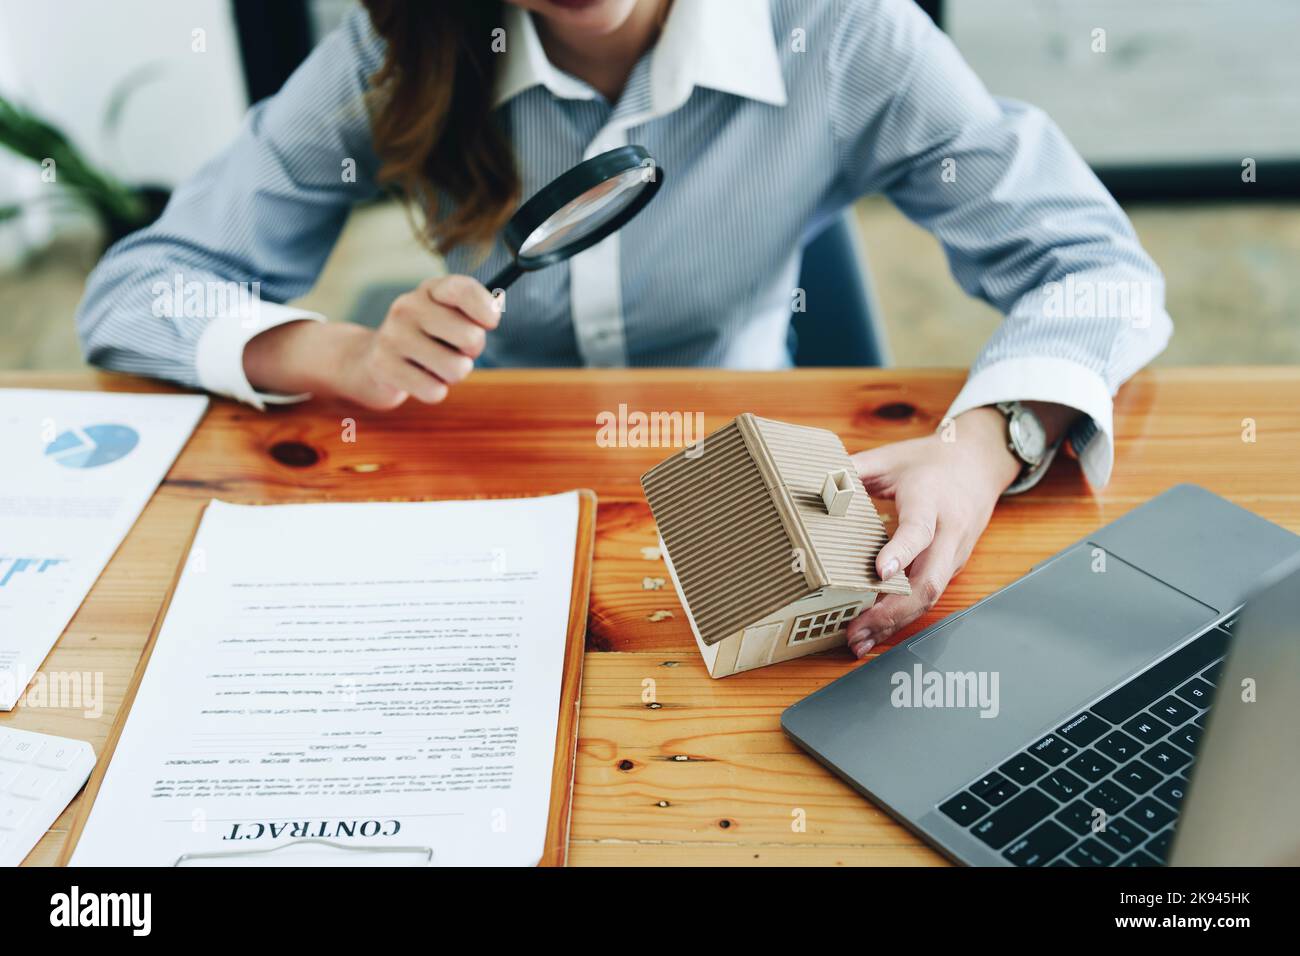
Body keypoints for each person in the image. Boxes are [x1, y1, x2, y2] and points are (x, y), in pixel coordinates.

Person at [74, 0, 1172, 655]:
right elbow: (140, 289)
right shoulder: (396, 40)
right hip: (482, 493)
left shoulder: (842, 32)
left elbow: (1094, 267)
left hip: (756, 498)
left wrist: (986, 445)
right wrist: (337, 352)